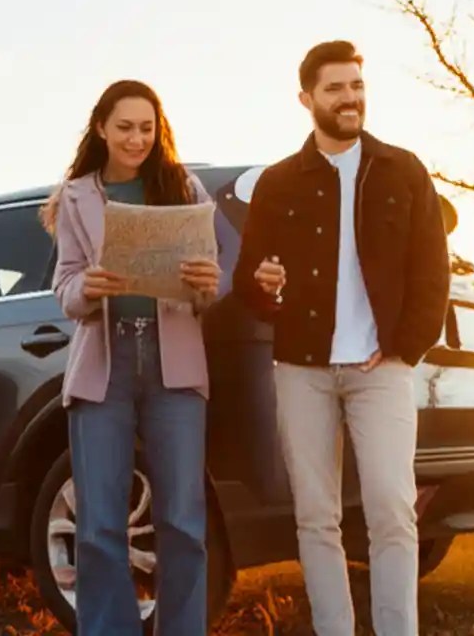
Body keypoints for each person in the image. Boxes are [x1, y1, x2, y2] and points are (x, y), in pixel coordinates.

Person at [231, 41, 451, 636]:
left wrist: (406, 345)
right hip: (300, 371)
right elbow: (249, 284)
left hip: (382, 370)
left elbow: (433, 271)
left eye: (357, 85)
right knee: (316, 518)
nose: (350, 97)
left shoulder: (404, 171)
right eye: (335, 88)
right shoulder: (276, 184)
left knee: (392, 512)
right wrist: (262, 282)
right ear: (307, 99)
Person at [41, 79, 222, 636]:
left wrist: (205, 282)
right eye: (125, 127)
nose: (137, 138)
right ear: (101, 128)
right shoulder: (76, 196)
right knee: (98, 526)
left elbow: (208, 287)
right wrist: (89, 288)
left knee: (184, 523)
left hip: (175, 367)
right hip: (105, 367)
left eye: (147, 127)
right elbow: (65, 288)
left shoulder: (183, 188)